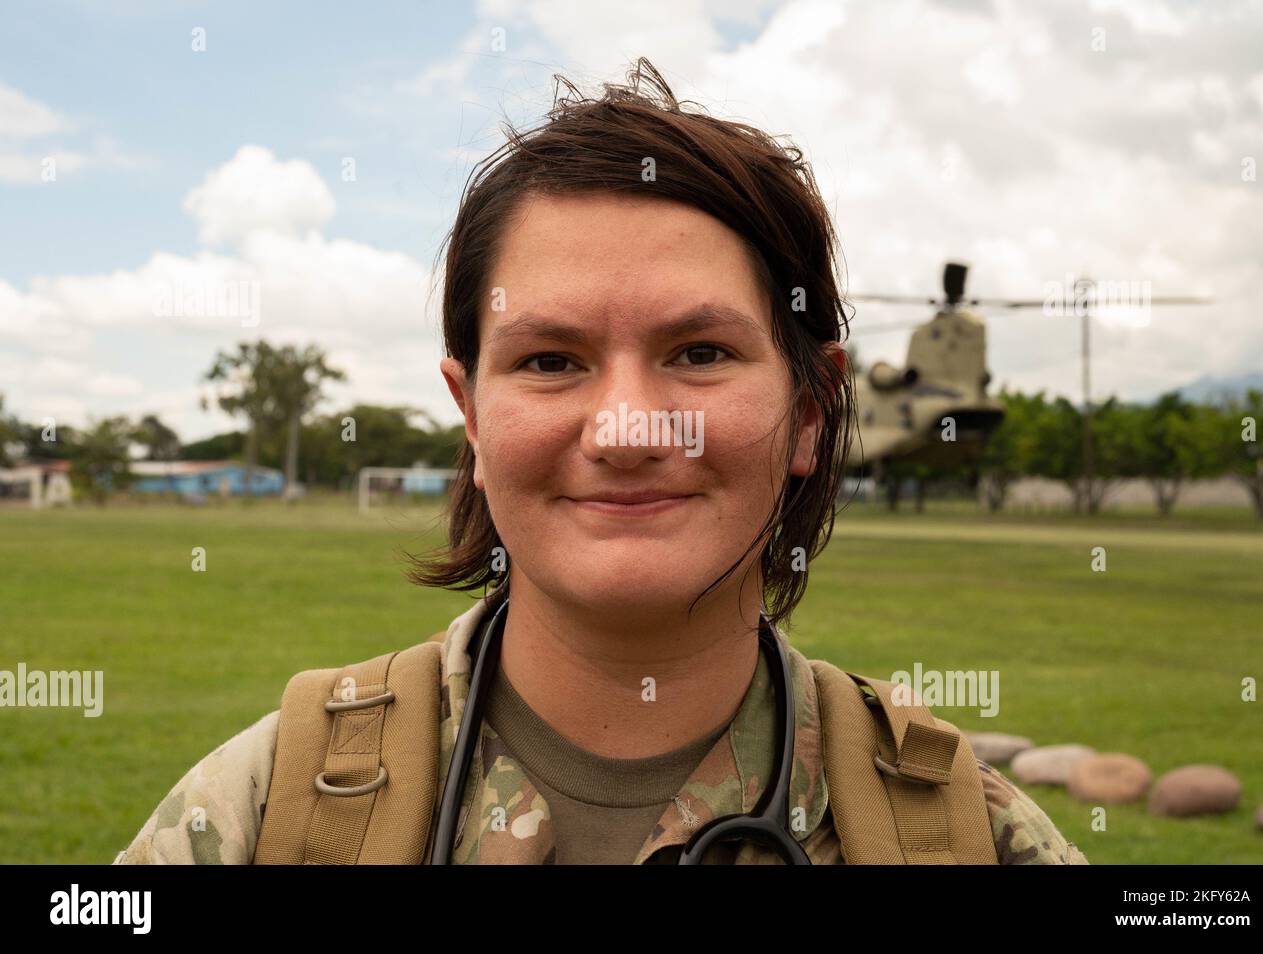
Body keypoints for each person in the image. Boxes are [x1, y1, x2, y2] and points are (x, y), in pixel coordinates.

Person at [115, 58, 1086, 866]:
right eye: (550, 361)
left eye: (701, 353)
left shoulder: (965, 835)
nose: (626, 432)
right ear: (472, 420)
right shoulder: (261, 813)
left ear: (810, 411)